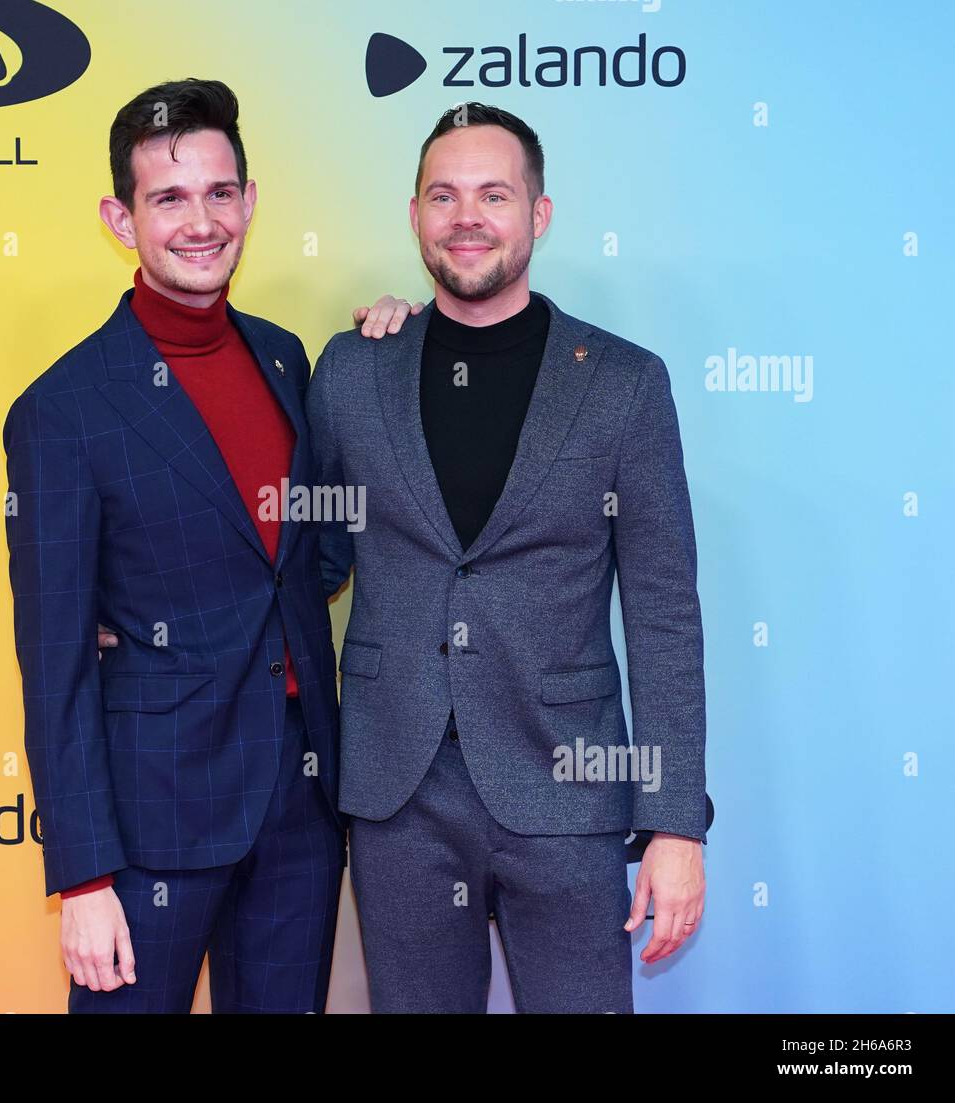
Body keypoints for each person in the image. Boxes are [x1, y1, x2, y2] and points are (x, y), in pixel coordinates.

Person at [2, 77, 413, 1012]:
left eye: (220, 192)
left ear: (251, 202)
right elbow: (55, 662)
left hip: (302, 809)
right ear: (121, 217)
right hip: (150, 826)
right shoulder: (62, 410)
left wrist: (402, 353)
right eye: (169, 198)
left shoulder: (282, 358)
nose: (201, 221)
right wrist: (83, 879)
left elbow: (306, 563)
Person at [306, 102, 709, 1013]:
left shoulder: (623, 383)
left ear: (540, 213)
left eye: (495, 193)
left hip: (568, 785)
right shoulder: (352, 370)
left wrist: (677, 821)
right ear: (413, 216)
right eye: (443, 195)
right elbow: (310, 560)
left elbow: (663, 611)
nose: (468, 216)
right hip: (398, 793)